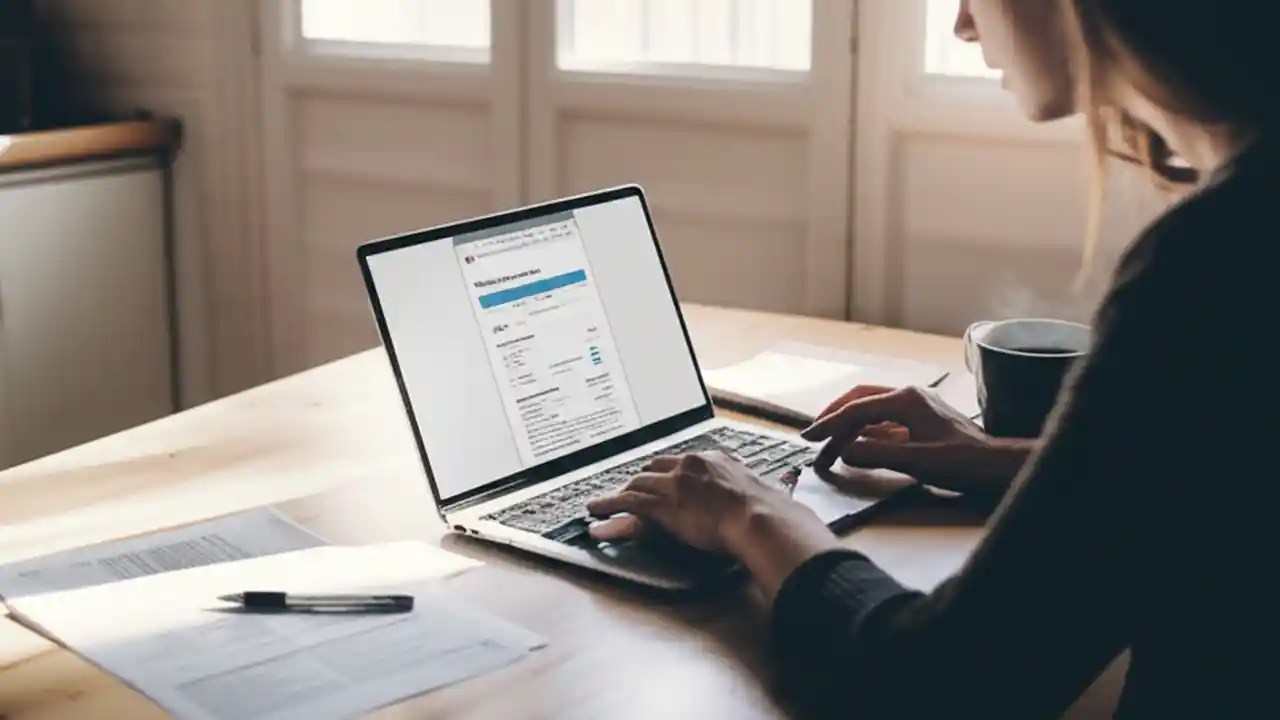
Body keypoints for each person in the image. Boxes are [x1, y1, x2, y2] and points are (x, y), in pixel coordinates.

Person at [586, 0, 1275, 717]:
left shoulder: (1218, 266)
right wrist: (1010, 459)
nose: (964, 25)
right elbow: (1221, 477)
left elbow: (943, 684)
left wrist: (751, 513)